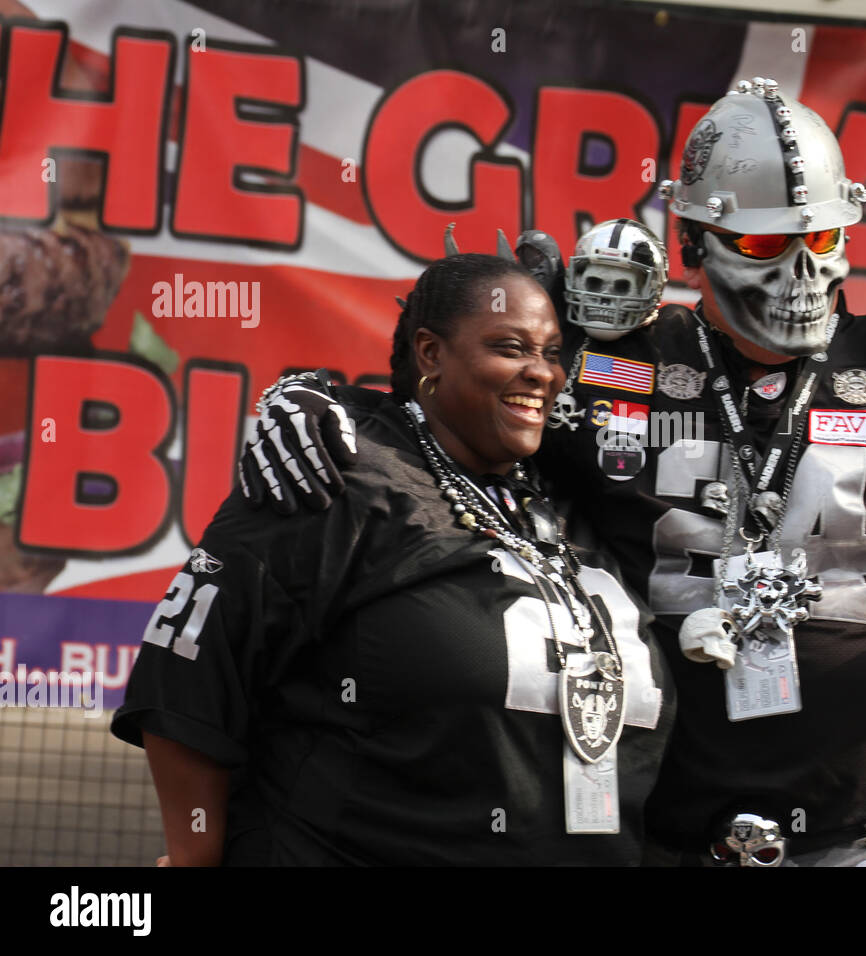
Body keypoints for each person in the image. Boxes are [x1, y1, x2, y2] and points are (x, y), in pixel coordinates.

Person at [237, 80, 866, 866]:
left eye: (828, 241)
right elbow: (441, 420)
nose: (804, 269)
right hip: (655, 833)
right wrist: (319, 399)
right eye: (765, 244)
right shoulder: (608, 366)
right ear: (692, 246)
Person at [111, 254, 673, 866]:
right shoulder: (332, 472)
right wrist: (195, 856)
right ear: (430, 353)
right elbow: (190, 672)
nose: (542, 373)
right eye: (511, 348)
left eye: (551, 352)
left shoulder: (576, 490)